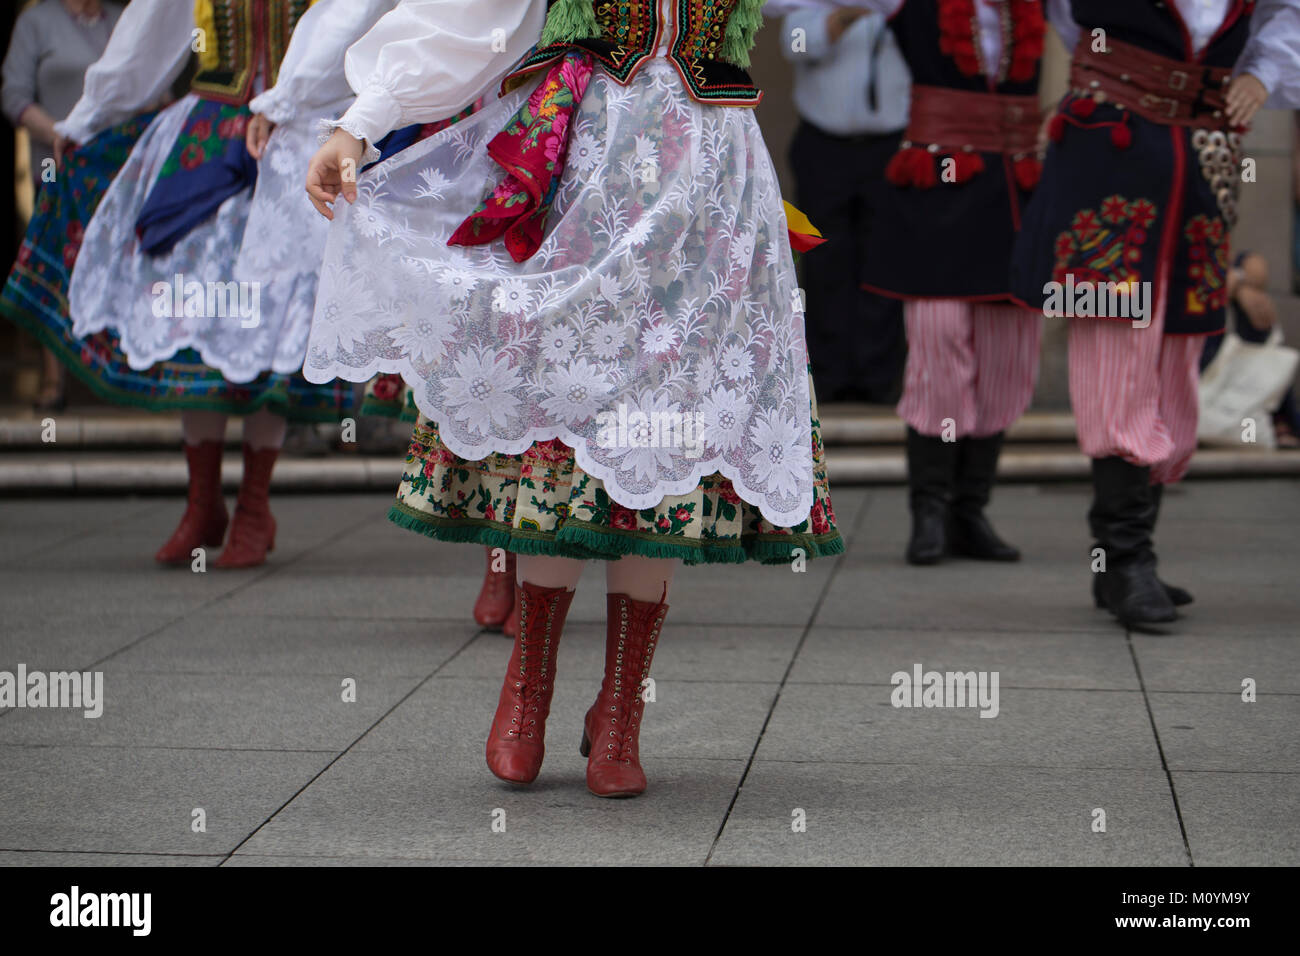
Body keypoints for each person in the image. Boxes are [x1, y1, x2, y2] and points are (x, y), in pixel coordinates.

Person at [304, 0, 844, 798]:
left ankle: (622, 709)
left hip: (711, 181)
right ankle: (530, 683)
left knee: (665, 439)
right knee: (564, 416)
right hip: (589, 165)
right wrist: (361, 120)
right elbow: (469, 12)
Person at [47, 0, 396, 569]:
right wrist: (88, 116)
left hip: (297, 138)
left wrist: (288, 99)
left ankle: (254, 506)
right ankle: (203, 502)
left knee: (274, 323)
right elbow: (151, 29)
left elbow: (349, 18)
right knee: (196, 319)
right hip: (206, 136)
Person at [1011, 0, 1300, 629]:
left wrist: (1264, 73)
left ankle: (1122, 564)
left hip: (1202, 154)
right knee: (1114, 342)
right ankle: (1125, 559)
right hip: (1106, 145)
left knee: (1179, 344)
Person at [780, 3, 910, 405]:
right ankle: (829, 378)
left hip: (892, 146)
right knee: (824, 262)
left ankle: (879, 380)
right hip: (824, 146)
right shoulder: (809, 9)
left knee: (887, 261)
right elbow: (796, 47)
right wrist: (846, 14)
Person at [1, 0, 122, 411]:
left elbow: (148, 90)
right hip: (53, 165)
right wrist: (62, 133)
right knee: (55, 258)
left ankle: (117, 375)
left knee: (112, 264)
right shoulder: (37, 21)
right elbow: (13, 97)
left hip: (111, 166)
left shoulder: (121, 19)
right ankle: (54, 379)